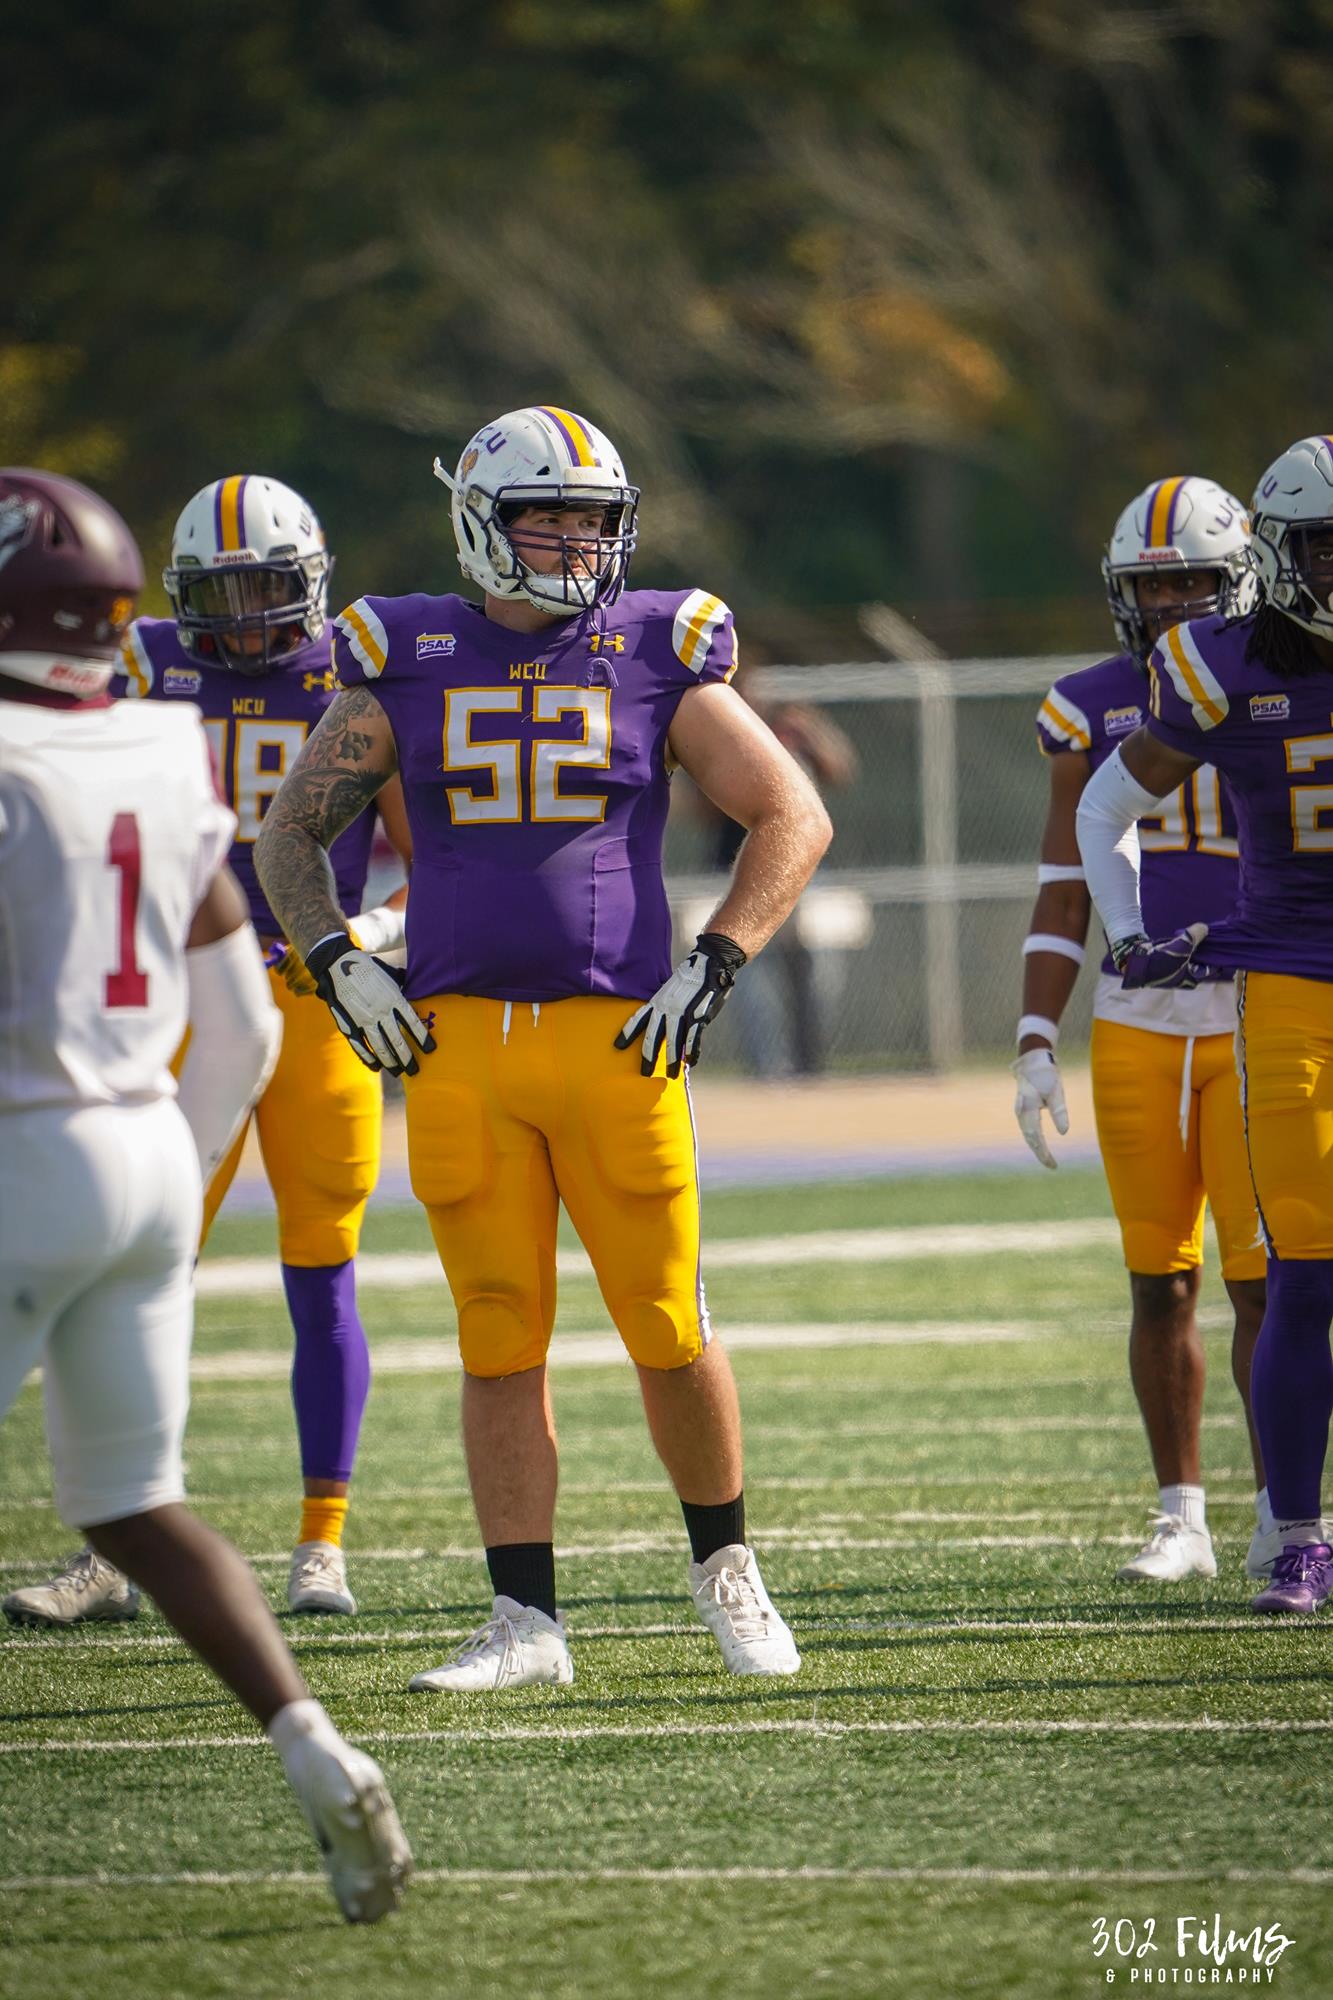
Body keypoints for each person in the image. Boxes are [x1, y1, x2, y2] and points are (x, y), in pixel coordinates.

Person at [254, 404, 831, 1688]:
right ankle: (527, 1622)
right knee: (497, 1331)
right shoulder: (398, 651)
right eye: (548, 517)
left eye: (596, 519)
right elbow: (289, 834)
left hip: (615, 1040)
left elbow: (790, 810)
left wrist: (718, 956)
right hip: (457, 1046)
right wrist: (337, 960)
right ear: (480, 519)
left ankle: (727, 1572)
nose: (578, 544)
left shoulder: (653, 643)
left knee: (669, 1322)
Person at [0, 468, 411, 1919]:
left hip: (93, 1102)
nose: (238, 621)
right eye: (209, 594)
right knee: (136, 1452)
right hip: (161, 1086)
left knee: (323, 1264)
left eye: (261, 591)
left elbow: (417, 842)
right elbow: (225, 1002)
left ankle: (324, 1535)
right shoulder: (153, 723)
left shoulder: (342, 669)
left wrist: (366, 941)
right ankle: (293, 1724)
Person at [1075, 434, 1333, 1614]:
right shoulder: (1218, 663)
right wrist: (1126, 933)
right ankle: (1294, 1533)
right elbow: (1103, 805)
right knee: (1301, 1279)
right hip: (1287, 988)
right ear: (1276, 559)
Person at [1015, 475, 1269, 1582]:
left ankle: (1286, 1507)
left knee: (1271, 1278)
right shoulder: (1091, 702)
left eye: (1191, 585)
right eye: (1150, 587)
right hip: (1137, 1018)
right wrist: (1032, 1034)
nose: (1170, 607)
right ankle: (1182, 1516)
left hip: (1263, 1009)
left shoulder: (1282, 683)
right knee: (1158, 1279)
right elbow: (1063, 884)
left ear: (1240, 582)